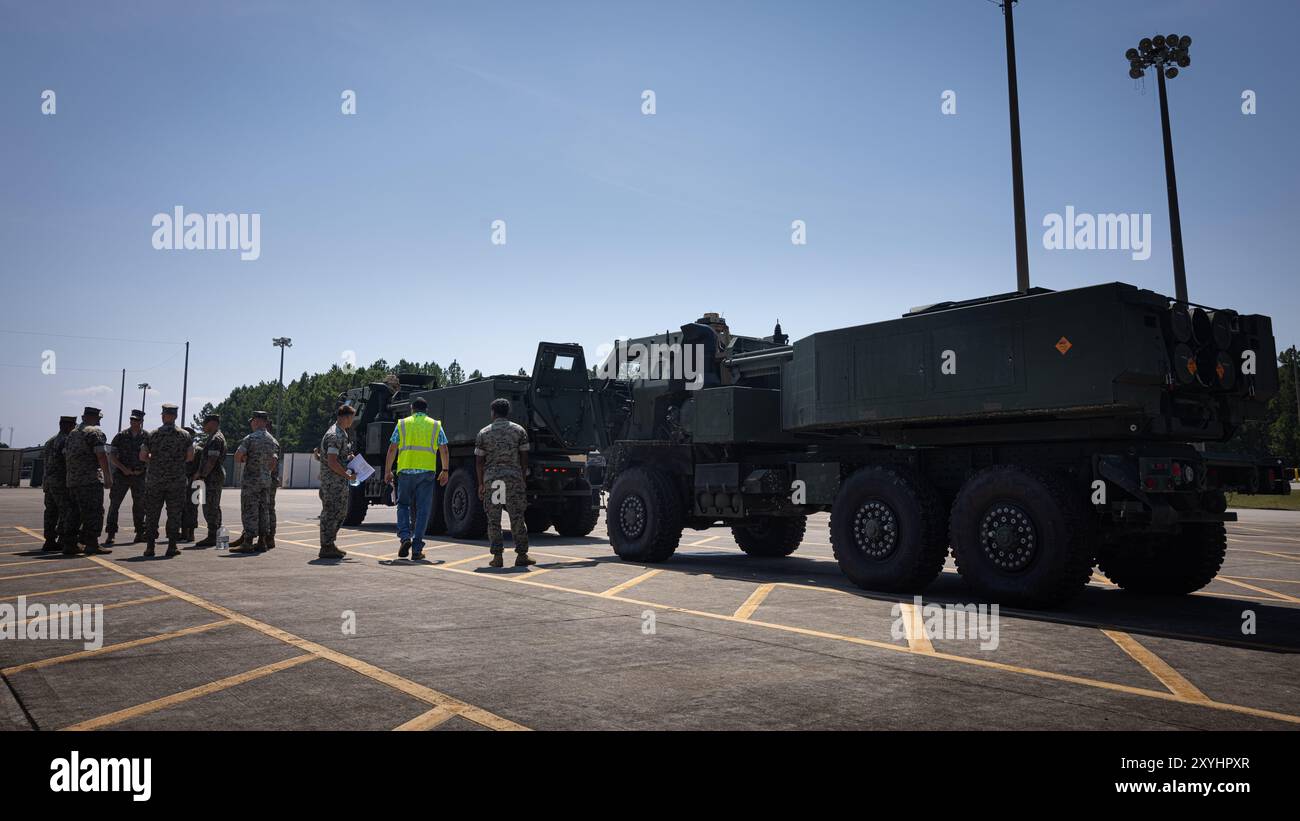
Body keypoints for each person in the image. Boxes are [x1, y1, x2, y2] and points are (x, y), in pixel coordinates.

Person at [383, 396, 448, 561]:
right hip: (426, 472)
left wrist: (388, 470)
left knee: (403, 505)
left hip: (405, 471)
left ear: (412, 409)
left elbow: (392, 449)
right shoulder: (435, 425)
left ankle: (405, 538)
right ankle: (417, 548)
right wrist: (445, 470)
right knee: (423, 510)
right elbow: (444, 449)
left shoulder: (403, 424)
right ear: (426, 410)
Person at [475, 398, 534, 568]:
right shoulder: (519, 431)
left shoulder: (484, 433)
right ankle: (522, 555)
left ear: (493, 413)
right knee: (517, 517)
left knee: (494, 519)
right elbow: (524, 457)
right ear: (508, 412)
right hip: (513, 480)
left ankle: (497, 557)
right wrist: (522, 477)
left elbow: (479, 461)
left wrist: (480, 484)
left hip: (494, 482)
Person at [139, 403, 192, 558]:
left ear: (163, 416)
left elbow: (142, 456)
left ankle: (150, 547)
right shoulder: (184, 435)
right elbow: (190, 457)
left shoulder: (152, 434)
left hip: (155, 480)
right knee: (174, 514)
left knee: (152, 514)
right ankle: (172, 546)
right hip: (176, 481)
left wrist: (154, 461)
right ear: (175, 416)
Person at [61, 406, 113, 556]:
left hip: (73, 480)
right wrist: (108, 476)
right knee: (94, 512)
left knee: (74, 513)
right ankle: (92, 544)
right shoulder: (94, 433)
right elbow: (101, 455)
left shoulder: (72, 433)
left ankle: (70, 544)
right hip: (89, 480)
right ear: (95, 417)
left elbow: (66, 455)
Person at [231, 411, 278, 553]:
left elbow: (237, 457)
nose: (251, 424)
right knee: (263, 510)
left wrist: (246, 459)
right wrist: (265, 470)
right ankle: (262, 541)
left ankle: (248, 542)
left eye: (252, 421)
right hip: (265, 481)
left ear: (257, 421)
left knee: (249, 510)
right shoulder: (272, 440)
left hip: (251, 481)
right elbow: (273, 461)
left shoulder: (250, 438)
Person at [317, 404, 358, 559]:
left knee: (340, 513)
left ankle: (330, 544)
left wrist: (350, 458)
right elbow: (332, 462)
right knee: (330, 513)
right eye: (351, 418)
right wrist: (347, 475)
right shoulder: (334, 435)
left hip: (339, 482)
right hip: (332, 482)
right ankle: (326, 546)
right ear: (344, 417)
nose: (352, 422)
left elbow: (339, 458)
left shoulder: (343, 433)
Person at [105, 409, 148, 546]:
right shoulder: (121, 436)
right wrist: (124, 469)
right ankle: (111, 534)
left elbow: (152, 455)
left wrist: (142, 469)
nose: (134, 422)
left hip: (140, 476)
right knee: (114, 505)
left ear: (141, 421)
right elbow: (112, 456)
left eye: (137, 420)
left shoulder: (147, 436)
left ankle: (140, 533)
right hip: (122, 476)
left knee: (140, 506)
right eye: (132, 420)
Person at [40, 415, 76, 552]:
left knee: (50, 512)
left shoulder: (50, 441)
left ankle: (49, 540)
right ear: (68, 425)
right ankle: (64, 539)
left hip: (49, 482)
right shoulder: (66, 440)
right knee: (66, 511)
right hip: (61, 482)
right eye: (73, 425)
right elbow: (68, 461)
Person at [192, 413, 227, 547]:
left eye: (205, 423)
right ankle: (216, 536)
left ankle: (213, 536)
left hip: (211, 478)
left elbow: (211, 461)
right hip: (212, 477)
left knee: (210, 507)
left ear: (212, 423)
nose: (203, 426)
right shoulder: (213, 438)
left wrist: (202, 475)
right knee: (213, 506)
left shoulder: (215, 439)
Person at [180, 425, 200, 542]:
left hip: (196, 482)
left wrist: (195, 477)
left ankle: (191, 533)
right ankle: (183, 532)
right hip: (181, 481)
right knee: (181, 507)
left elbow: (201, 467)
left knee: (193, 508)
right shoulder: (179, 450)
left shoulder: (199, 450)